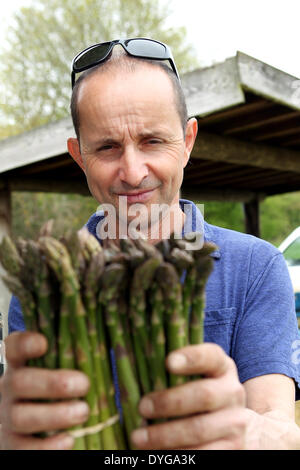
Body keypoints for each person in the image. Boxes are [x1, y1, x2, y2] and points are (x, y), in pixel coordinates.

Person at [1, 37, 300, 450]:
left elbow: (278, 424)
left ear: (188, 141)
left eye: (152, 141)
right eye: (107, 147)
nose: (132, 170)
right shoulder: (46, 283)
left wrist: (252, 433)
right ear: (79, 156)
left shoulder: (255, 268)